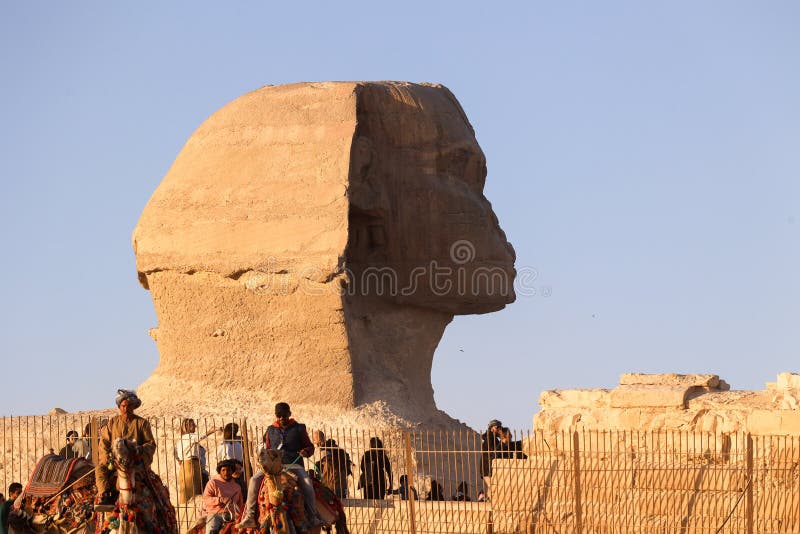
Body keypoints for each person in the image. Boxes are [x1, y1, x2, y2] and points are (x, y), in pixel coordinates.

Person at [236, 402, 320, 529]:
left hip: (294, 465)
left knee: (307, 483)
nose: (281, 418)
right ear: (276, 416)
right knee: (253, 480)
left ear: (289, 414)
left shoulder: (299, 428)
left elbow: (310, 447)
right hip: (274, 466)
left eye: (284, 415)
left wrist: (305, 451)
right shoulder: (271, 429)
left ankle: (313, 517)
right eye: (279, 415)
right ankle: (249, 517)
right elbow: (269, 448)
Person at [96, 389, 156, 507]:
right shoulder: (113, 422)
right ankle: (105, 496)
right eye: (123, 406)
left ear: (133, 406)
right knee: (99, 470)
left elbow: (150, 444)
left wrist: (140, 450)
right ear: (119, 406)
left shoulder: (142, 423)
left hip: (134, 462)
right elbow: (104, 442)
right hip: (114, 461)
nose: (125, 409)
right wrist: (106, 457)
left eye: (128, 406)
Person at [175, 418, 220, 504]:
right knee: (193, 492)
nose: (195, 426)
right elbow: (201, 436)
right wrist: (212, 430)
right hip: (191, 465)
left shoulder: (180, 440)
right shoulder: (190, 437)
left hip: (184, 465)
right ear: (187, 427)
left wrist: (180, 460)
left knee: (185, 494)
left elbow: (175, 453)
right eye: (192, 425)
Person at [202, 459, 243, 534]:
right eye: (223, 470)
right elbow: (206, 499)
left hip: (232, 515)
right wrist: (221, 500)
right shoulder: (213, 483)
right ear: (219, 471)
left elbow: (240, 504)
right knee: (212, 531)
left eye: (229, 470)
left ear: (232, 471)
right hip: (215, 514)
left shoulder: (237, 487)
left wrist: (238, 516)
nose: (226, 472)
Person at [480, 419, 502, 502]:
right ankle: (490, 501)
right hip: (486, 466)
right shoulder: (490, 438)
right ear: (492, 428)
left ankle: (490, 500)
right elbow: (495, 451)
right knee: (492, 486)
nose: (499, 429)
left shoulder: (492, 438)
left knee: (491, 485)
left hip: (488, 466)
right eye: (498, 427)